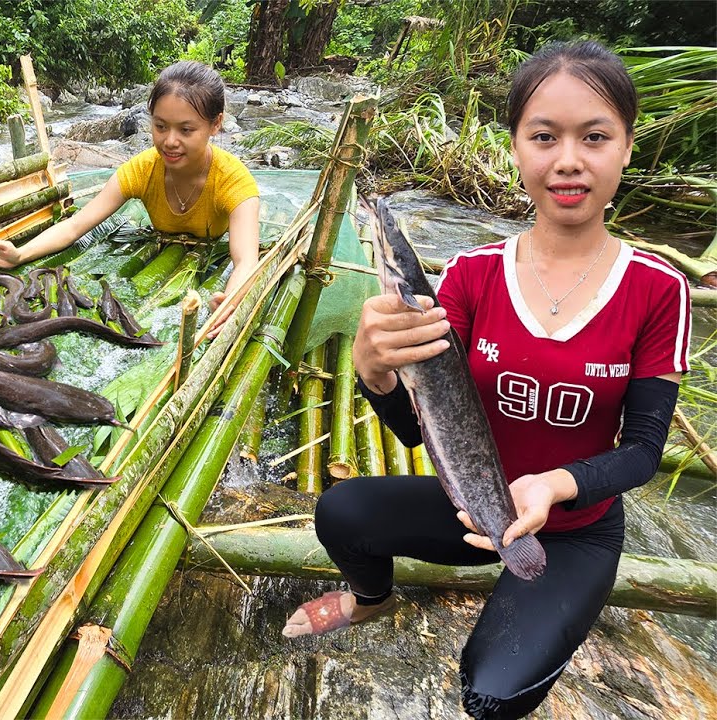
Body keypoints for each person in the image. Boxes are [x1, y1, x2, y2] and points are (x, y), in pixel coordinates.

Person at [281, 40, 691, 720]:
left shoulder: (656, 290)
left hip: (573, 527)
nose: (567, 160)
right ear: (516, 148)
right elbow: (425, 430)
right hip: (472, 504)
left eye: (594, 137)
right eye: (543, 136)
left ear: (626, 147)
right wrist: (376, 371)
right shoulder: (473, 274)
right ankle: (373, 603)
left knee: (491, 695)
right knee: (342, 512)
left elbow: (644, 451)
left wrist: (553, 486)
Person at [0, 60, 260, 338]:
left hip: (205, 260)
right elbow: (73, 227)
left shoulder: (233, 180)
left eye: (186, 130)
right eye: (160, 126)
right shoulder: (141, 170)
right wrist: (20, 254)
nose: (170, 141)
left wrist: (232, 299)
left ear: (215, 124)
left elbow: (245, 259)